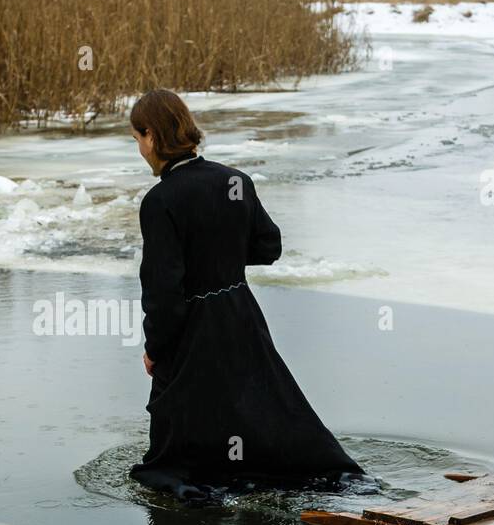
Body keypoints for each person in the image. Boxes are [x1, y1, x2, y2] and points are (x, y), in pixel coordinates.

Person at [127, 88, 364, 498]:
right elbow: (268, 246)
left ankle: (212, 492)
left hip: (191, 326)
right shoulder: (234, 181)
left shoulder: (160, 200)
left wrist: (155, 348)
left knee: (178, 451)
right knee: (257, 405)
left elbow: (163, 292)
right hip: (239, 314)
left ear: (151, 135)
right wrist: (223, 264)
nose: (140, 151)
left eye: (137, 140)